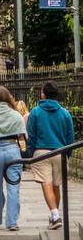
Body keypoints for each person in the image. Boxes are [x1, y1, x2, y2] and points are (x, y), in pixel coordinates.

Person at [26, 80, 76, 230]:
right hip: (60, 152)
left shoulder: (35, 112)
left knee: (46, 184)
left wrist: (31, 153)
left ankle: (55, 215)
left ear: (43, 94)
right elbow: (70, 137)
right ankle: (55, 215)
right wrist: (67, 154)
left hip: (42, 152)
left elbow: (31, 136)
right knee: (56, 185)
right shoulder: (65, 113)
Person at [0, 86, 27, 232]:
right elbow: (23, 136)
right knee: (13, 186)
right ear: (8, 97)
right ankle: (12, 222)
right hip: (13, 150)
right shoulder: (16, 115)